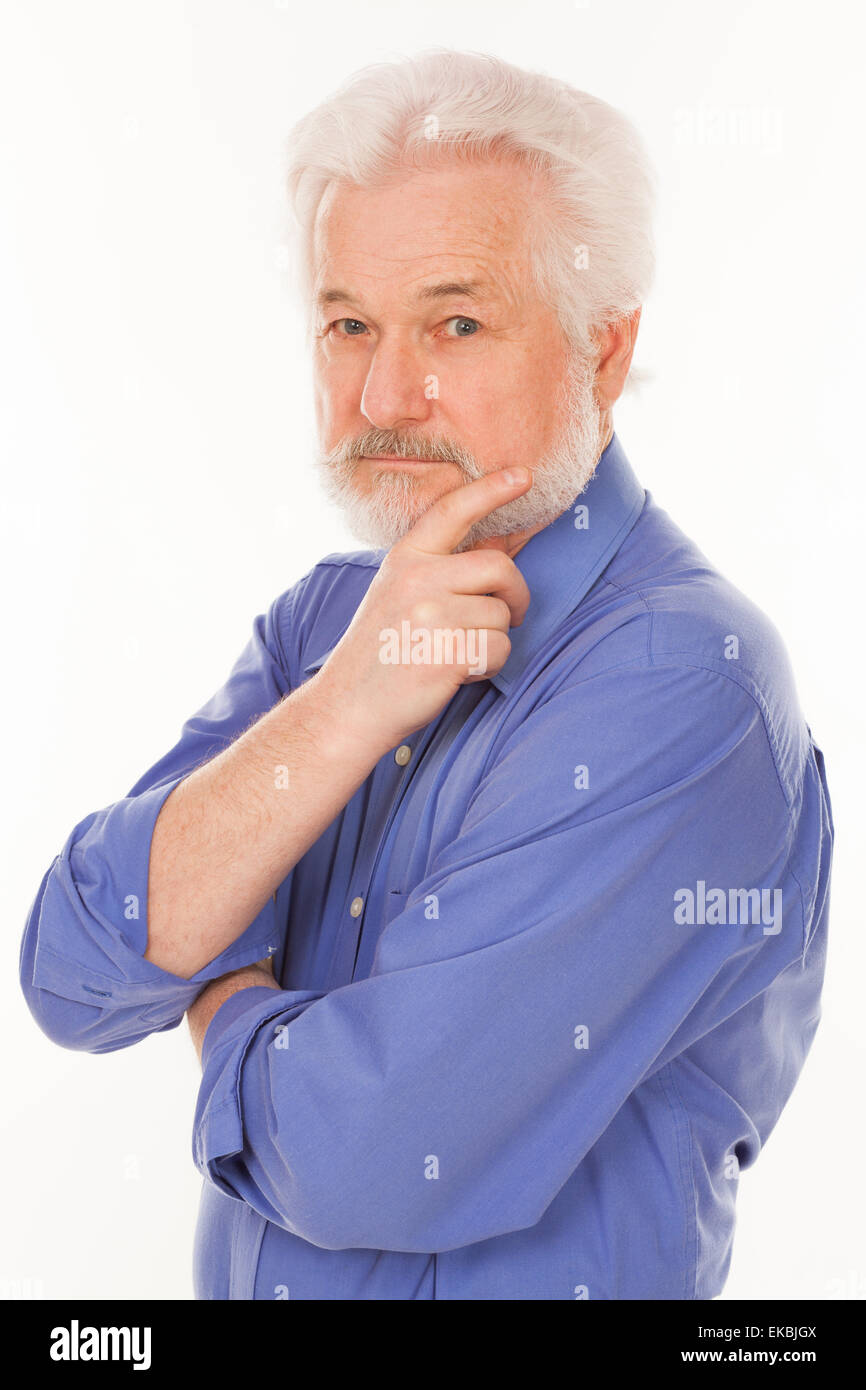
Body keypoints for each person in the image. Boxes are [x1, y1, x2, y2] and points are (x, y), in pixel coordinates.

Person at [20, 49, 833, 1301]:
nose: (383, 396)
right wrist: (347, 707)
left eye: (455, 321)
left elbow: (370, 1153)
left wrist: (218, 997)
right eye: (348, 324)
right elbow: (72, 963)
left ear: (603, 351)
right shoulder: (330, 626)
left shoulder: (688, 687)